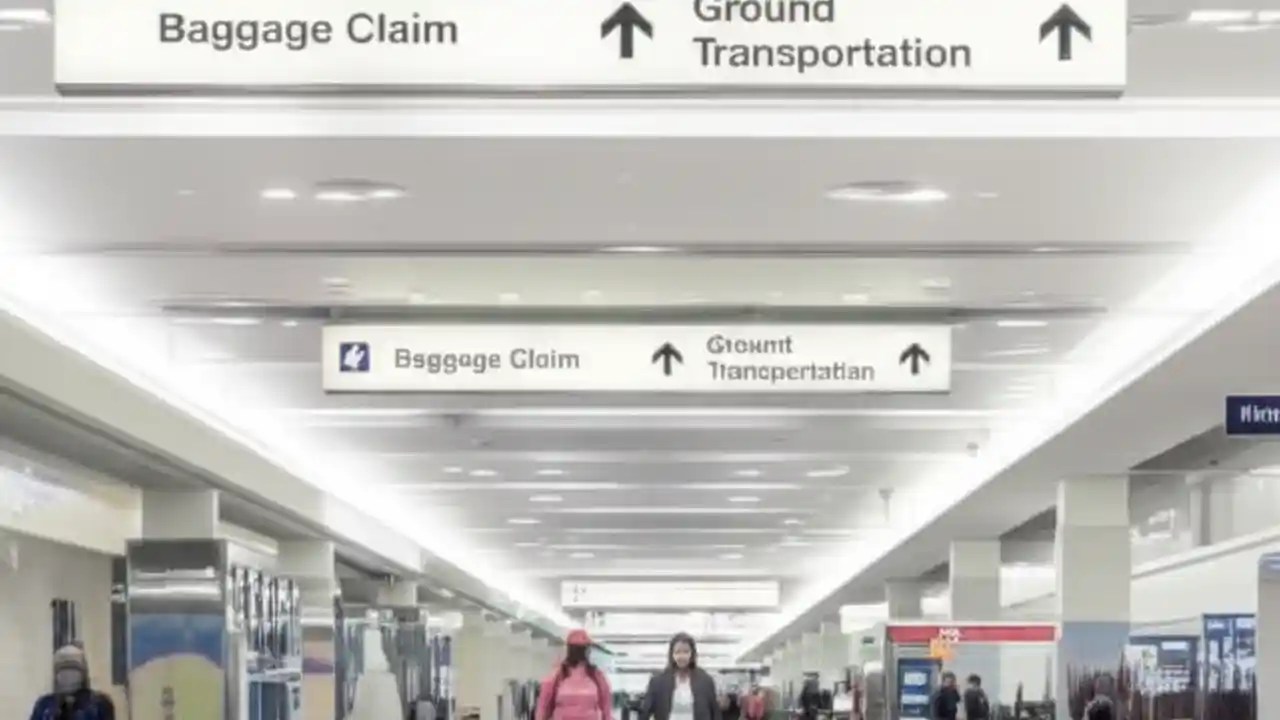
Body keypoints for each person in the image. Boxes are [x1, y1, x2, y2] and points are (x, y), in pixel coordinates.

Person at [639, 632, 722, 720]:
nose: (681, 656)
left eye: (686, 652)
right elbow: (645, 712)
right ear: (672, 654)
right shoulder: (658, 682)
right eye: (677, 652)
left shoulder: (705, 681)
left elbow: (715, 713)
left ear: (692, 654)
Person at [536, 630, 613, 720]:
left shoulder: (597, 677)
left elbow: (606, 711)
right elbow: (542, 710)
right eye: (581, 649)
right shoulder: (556, 677)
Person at [29, 645, 116, 720]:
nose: (68, 674)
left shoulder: (99, 704)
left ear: (83, 672)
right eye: (63, 668)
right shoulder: (44, 706)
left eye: (73, 668)